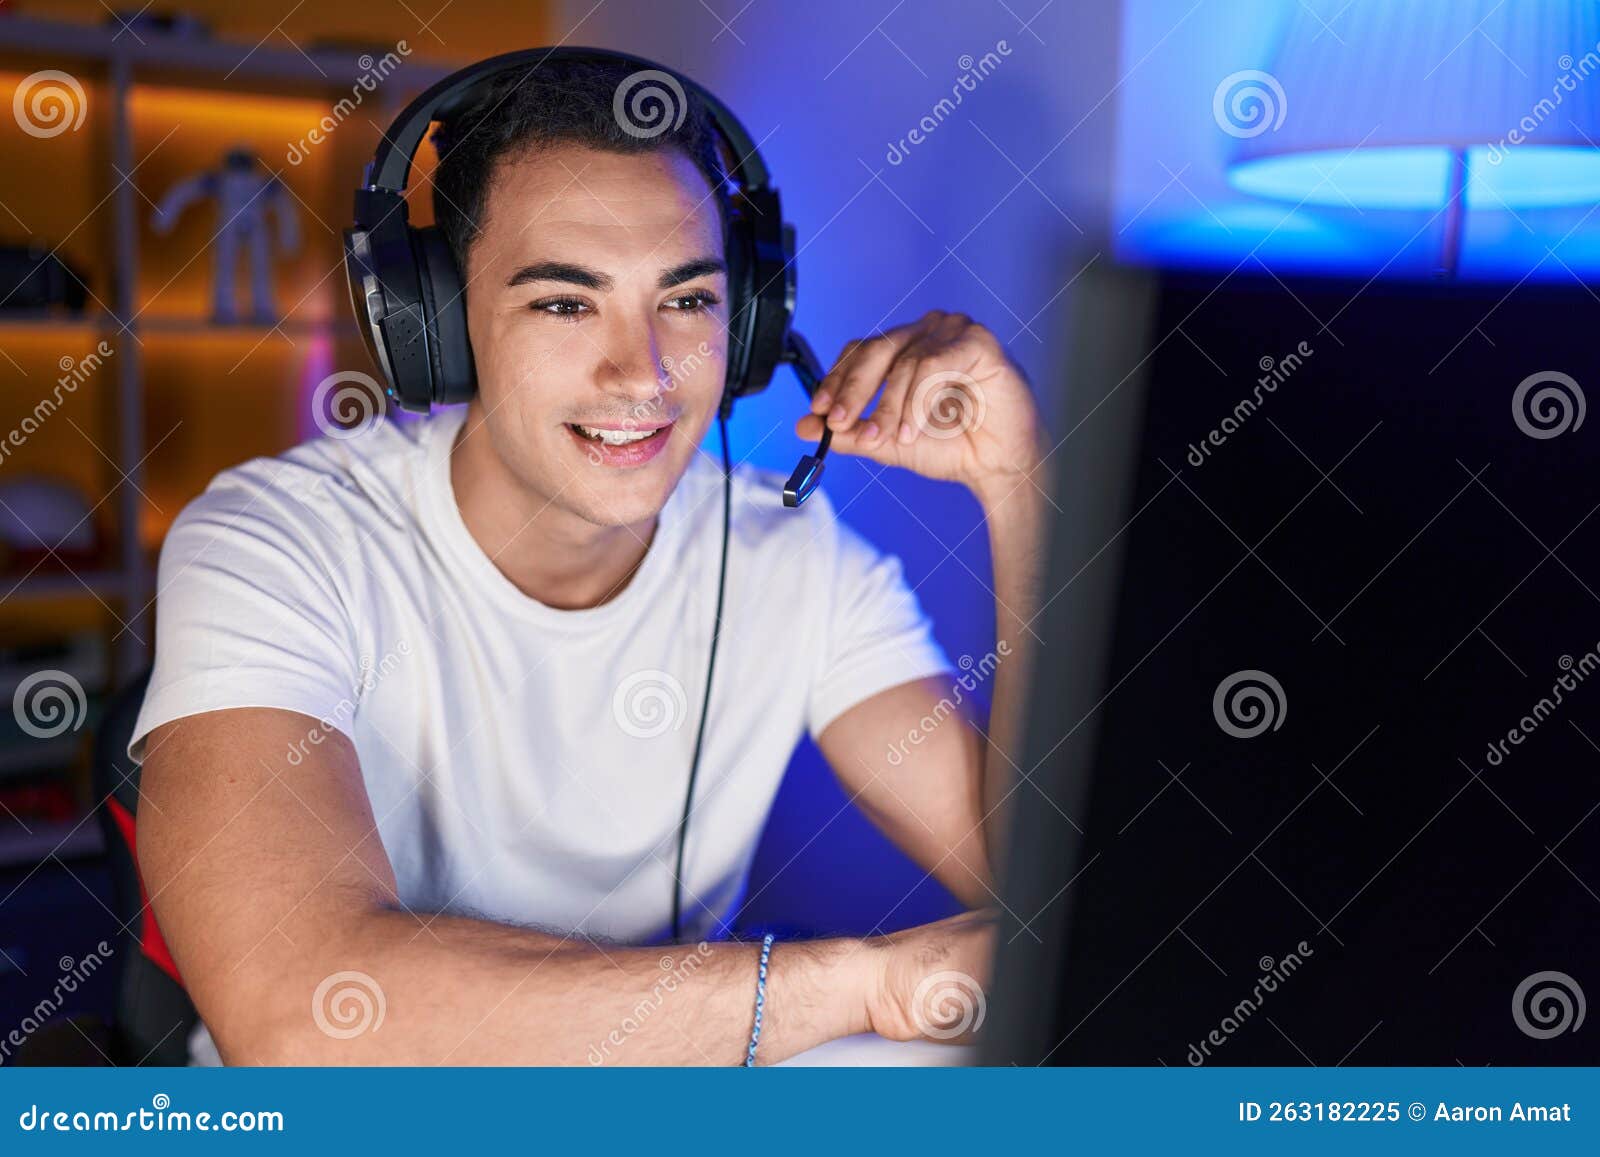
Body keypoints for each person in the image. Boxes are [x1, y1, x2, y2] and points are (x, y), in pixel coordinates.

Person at [130, 55, 1051, 1065]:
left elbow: (1045, 873)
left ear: (747, 323)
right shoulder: (273, 540)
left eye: (689, 300)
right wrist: (864, 982)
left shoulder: (793, 555)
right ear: (435, 322)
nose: (642, 373)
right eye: (565, 304)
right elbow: (298, 1015)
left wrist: (1019, 486)